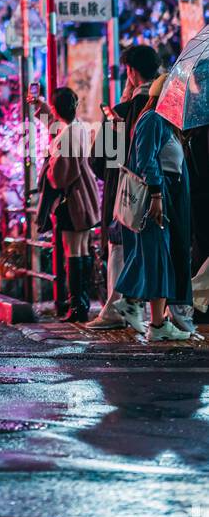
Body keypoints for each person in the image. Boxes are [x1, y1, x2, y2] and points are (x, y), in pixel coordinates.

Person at [116, 74, 196, 343]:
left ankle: (131, 302)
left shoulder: (166, 123)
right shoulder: (153, 119)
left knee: (154, 256)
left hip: (166, 195)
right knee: (156, 256)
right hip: (155, 197)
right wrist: (157, 195)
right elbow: (146, 158)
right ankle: (156, 323)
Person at [89, 42, 158, 333]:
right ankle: (148, 311)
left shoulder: (120, 113)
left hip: (124, 190)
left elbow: (97, 160)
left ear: (130, 71)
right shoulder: (165, 109)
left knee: (118, 246)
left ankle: (116, 307)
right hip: (160, 192)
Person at [42, 86, 100, 323]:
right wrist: (42, 108)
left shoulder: (66, 136)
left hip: (72, 199)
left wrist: (48, 167)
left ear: (56, 109)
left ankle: (77, 306)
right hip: (85, 195)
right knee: (83, 248)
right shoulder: (79, 128)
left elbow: (59, 176)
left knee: (73, 251)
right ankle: (82, 303)